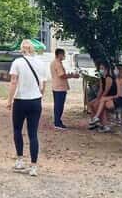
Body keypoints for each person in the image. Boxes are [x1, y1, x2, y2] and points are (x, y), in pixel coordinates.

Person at [7, 39, 47, 176]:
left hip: (20, 99)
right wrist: (40, 95)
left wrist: (9, 99)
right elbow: (43, 83)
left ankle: (20, 159)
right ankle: (34, 166)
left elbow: (13, 82)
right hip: (35, 100)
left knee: (17, 130)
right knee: (33, 133)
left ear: (21, 49)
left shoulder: (17, 62)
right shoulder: (41, 63)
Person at [90, 63, 122, 132]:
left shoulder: (118, 80)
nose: (114, 70)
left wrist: (106, 98)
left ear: (119, 71)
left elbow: (118, 95)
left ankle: (100, 121)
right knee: (102, 102)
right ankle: (100, 121)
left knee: (103, 103)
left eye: (115, 69)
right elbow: (102, 90)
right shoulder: (119, 79)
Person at [50, 48, 78, 129]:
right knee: (59, 105)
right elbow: (62, 75)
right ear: (59, 55)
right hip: (59, 87)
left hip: (57, 86)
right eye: (63, 54)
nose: (64, 56)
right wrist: (72, 76)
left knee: (58, 105)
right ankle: (57, 122)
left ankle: (57, 121)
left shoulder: (55, 62)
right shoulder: (57, 63)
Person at [86, 62, 116, 130]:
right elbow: (101, 90)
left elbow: (106, 91)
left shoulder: (109, 78)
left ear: (106, 69)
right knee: (91, 103)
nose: (101, 70)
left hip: (110, 97)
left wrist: (99, 100)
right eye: (100, 68)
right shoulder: (102, 78)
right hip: (104, 97)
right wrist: (97, 98)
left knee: (97, 105)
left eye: (102, 68)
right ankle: (94, 122)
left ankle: (103, 123)